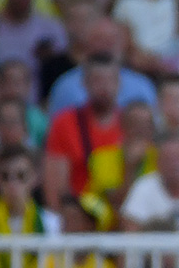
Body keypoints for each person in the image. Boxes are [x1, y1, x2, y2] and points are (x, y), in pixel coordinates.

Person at [43, 53, 125, 202]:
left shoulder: (131, 123)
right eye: (97, 80)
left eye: (110, 80)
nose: (104, 87)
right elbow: (55, 186)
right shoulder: (64, 123)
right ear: (84, 83)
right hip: (81, 217)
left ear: (119, 83)